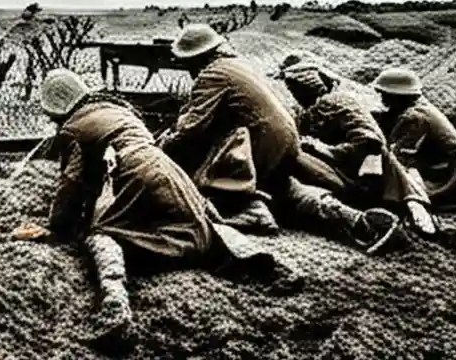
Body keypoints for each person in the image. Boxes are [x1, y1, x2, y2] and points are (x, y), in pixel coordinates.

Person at [12, 69, 287, 346]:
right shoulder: (118, 110)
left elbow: (71, 182)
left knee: (102, 233)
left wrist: (56, 226)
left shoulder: (73, 129)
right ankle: (265, 262)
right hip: (167, 169)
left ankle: (114, 300)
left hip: (133, 173)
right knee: (199, 219)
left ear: (57, 111)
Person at [156, 24, 402, 252]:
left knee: (195, 183)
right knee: (284, 187)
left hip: (262, 143)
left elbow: (190, 128)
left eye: (186, 63)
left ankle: (248, 209)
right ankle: (355, 219)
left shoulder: (212, 75)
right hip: (284, 141)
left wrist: (160, 149)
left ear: (196, 58)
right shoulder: (239, 65)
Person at [276, 58, 437, 237]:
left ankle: (414, 203)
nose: (292, 93)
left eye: (294, 87)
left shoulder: (338, 103)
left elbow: (369, 141)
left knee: (381, 154)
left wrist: (325, 149)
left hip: (363, 172)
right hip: (332, 174)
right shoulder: (303, 113)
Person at [371, 67, 456, 213]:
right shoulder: (422, 108)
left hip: (443, 174)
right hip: (443, 165)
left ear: (396, 96)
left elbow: (402, 156)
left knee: (390, 174)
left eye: (385, 95)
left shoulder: (414, 117)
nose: (382, 99)